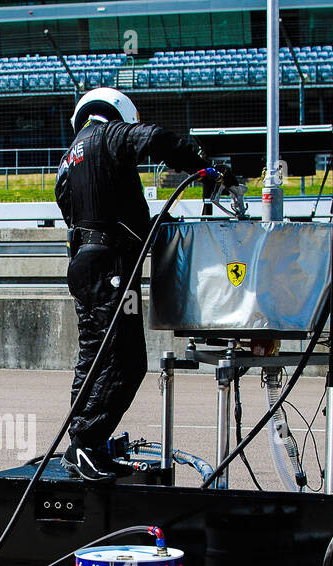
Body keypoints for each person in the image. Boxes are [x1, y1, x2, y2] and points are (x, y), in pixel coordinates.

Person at [54, 88, 227, 481]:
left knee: (93, 357)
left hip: (86, 267)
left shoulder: (70, 159)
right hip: (112, 269)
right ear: (117, 113)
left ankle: (81, 445)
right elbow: (155, 139)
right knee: (127, 361)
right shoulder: (107, 134)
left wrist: (146, 231)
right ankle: (85, 444)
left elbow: (91, 216)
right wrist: (201, 164)